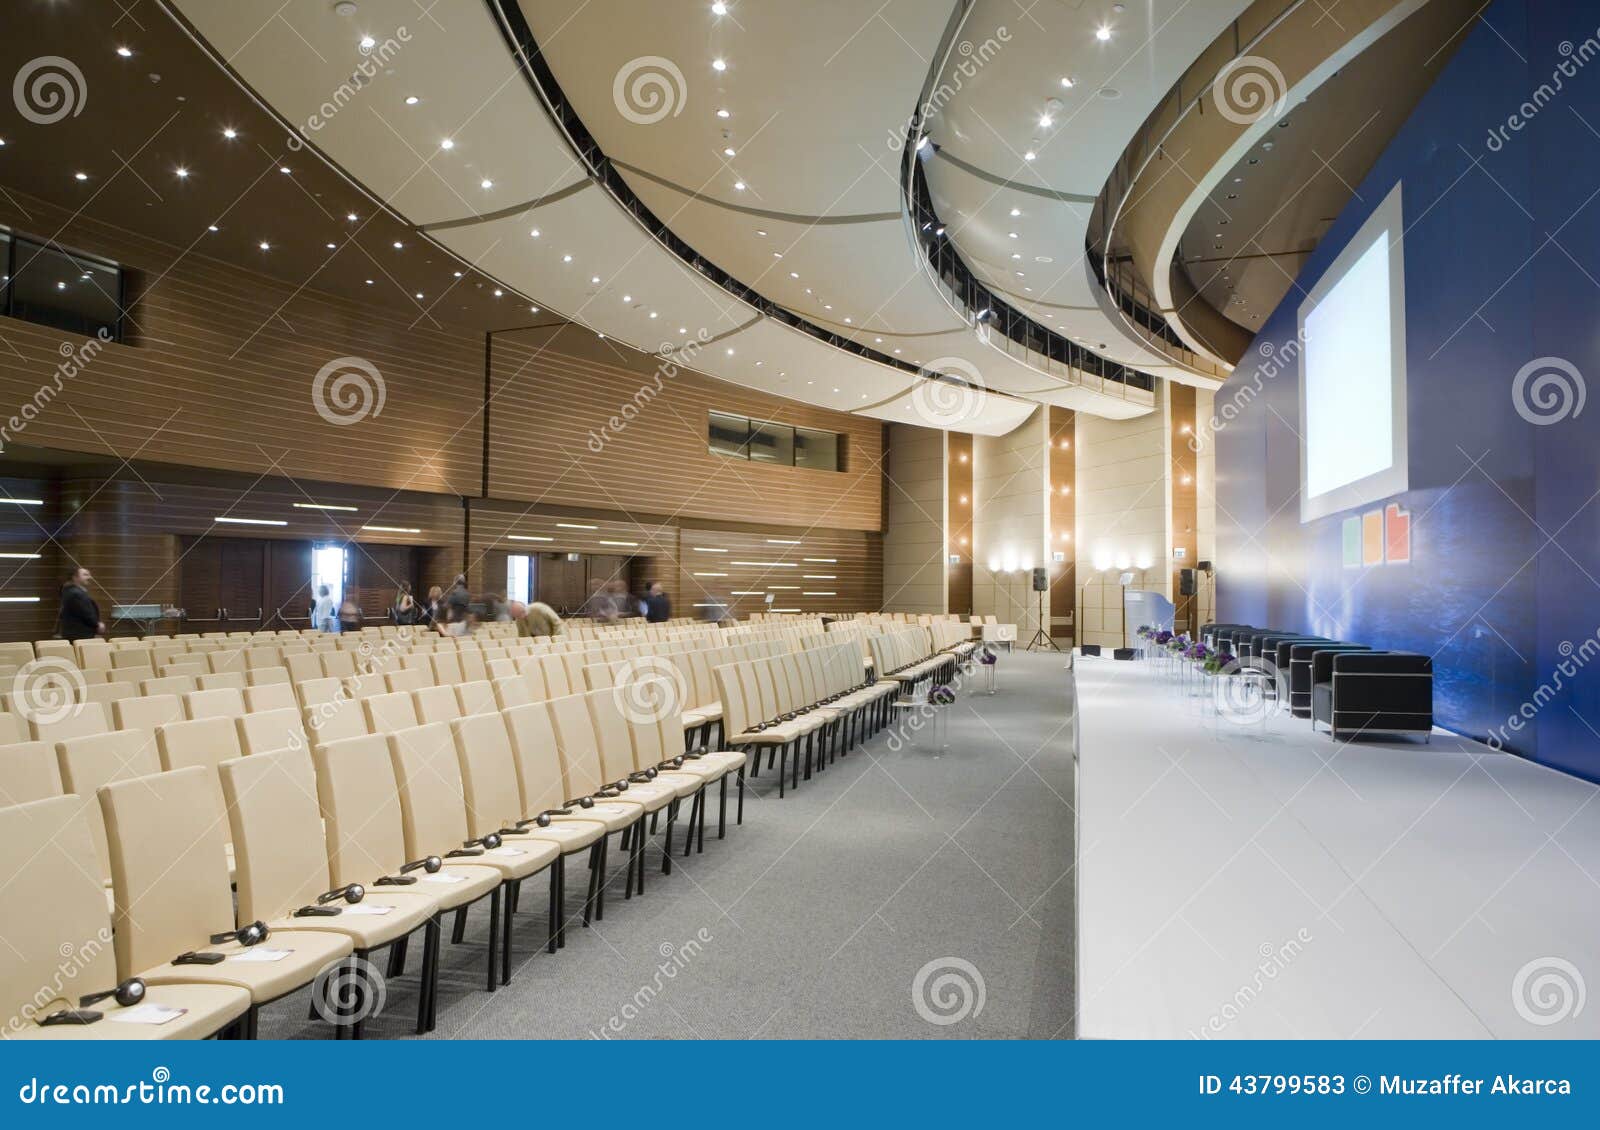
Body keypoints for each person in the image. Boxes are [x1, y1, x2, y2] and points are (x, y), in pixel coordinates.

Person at [56, 566, 103, 641]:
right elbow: (86, 613)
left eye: (89, 575)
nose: (89, 577)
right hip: (80, 635)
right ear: (75, 577)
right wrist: (97, 624)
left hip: (77, 634)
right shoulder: (76, 593)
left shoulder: (71, 591)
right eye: (85, 575)